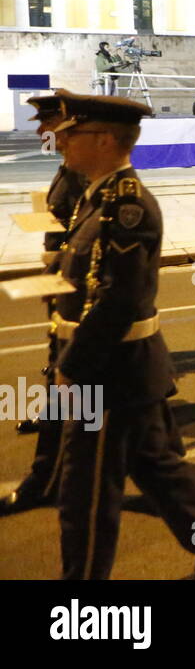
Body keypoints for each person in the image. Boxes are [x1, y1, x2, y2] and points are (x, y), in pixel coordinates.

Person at [44, 93, 195, 579]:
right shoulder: (98, 195)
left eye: (72, 133)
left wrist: (72, 366)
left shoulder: (127, 205)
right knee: (158, 469)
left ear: (102, 140)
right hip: (123, 366)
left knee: (87, 496)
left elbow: (119, 300)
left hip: (108, 370)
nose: (62, 141)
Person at [0, 93, 87, 515]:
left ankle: (45, 479)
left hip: (77, 300)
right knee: (148, 451)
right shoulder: (68, 170)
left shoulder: (85, 177)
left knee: (66, 380)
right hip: (67, 289)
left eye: (47, 123)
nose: (39, 130)